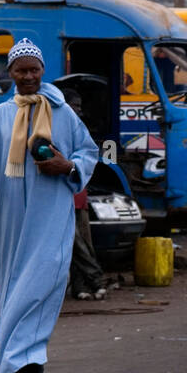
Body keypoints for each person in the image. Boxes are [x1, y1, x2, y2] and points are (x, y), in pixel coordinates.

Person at [0, 37, 99, 373]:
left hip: (50, 212)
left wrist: (67, 165)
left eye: (34, 69)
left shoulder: (63, 113)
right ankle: (24, 371)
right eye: (22, 70)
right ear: (11, 74)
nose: (29, 76)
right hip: (8, 218)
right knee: (15, 289)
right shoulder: (1, 116)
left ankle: (31, 370)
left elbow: (88, 151)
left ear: (42, 71)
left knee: (42, 284)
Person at [64, 89, 107, 302]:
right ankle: (96, 281)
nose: (80, 111)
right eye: (76, 106)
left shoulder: (77, 130)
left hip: (78, 196)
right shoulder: (59, 129)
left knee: (82, 244)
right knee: (76, 244)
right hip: (65, 197)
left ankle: (81, 287)